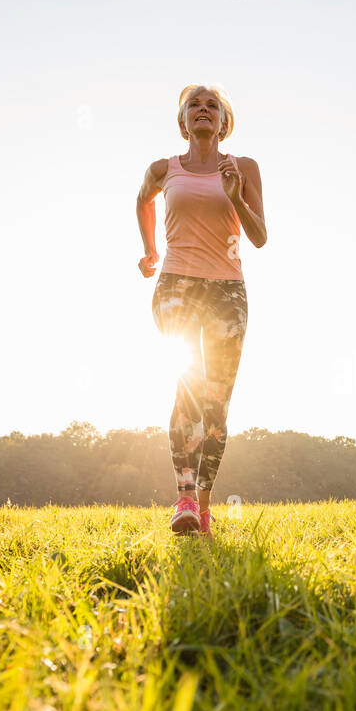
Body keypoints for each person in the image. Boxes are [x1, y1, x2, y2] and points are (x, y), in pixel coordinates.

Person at [134, 84, 267, 537]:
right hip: (176, 285)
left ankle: (204, 509)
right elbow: (141, 198)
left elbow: (261, 237)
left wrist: (233, 195)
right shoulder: (163, 169)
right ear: (183, 121)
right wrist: (149, 251)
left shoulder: (243, 168)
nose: (204, 110)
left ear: (224, 123)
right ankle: (184, 498)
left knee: (216, 409)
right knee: (186, 389)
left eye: (213, 106)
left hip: (228, 292)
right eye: (195, 105)